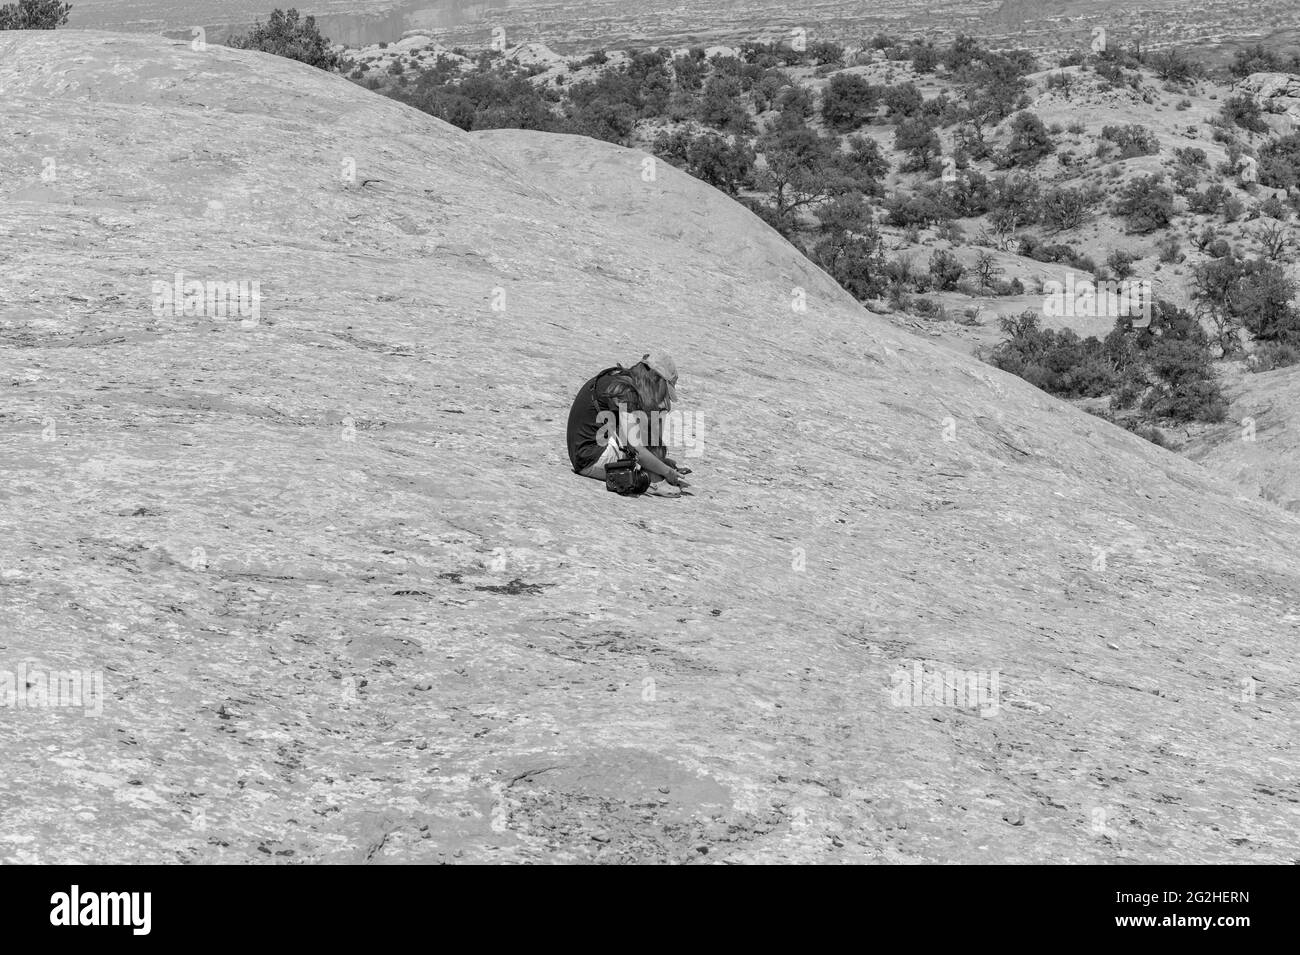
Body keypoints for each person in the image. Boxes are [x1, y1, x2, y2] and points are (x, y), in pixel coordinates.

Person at [566, 351, 691, 493]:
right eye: (664, 391)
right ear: (656, 380)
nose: (662, 397)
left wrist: (661, 464)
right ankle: (653, 481)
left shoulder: (621, 379)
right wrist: (667, 472)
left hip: (584, 455)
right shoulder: (626, 391)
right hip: (591, 459)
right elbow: (638, 450)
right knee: (646, 429)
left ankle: (655, 470)